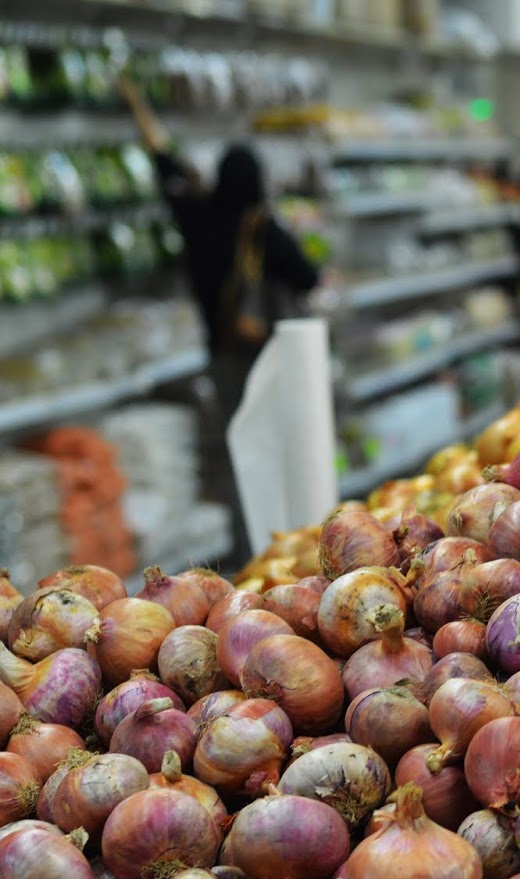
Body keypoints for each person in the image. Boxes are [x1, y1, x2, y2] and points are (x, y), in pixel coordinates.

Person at [120, 76, 320, 562]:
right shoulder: (262, 228)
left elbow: (165, 167)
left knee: (240, 449)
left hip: (222, 353)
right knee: (286, 444)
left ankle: (251, 549)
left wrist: (135, 103)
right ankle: (295, 538)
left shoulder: (198, 217)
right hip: (270, 354)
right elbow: (308, 277)